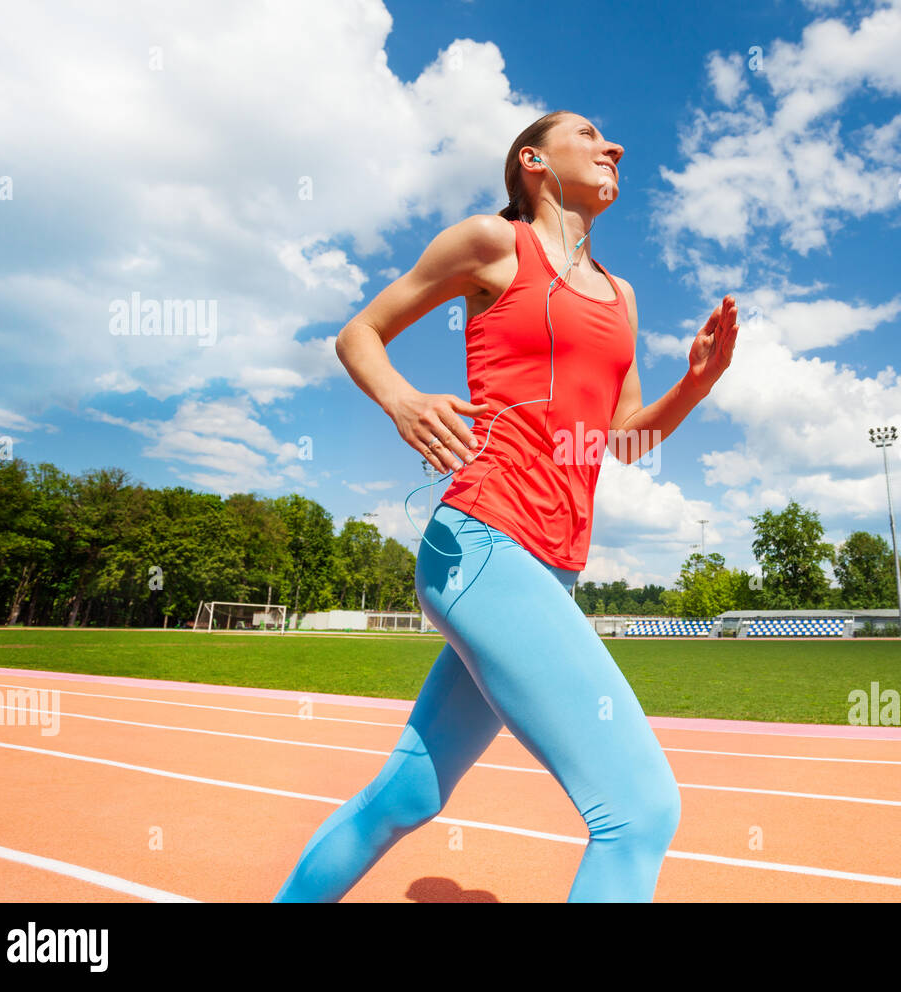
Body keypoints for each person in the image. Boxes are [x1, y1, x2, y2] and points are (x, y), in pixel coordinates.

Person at [273, 110, 738, 903]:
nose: (614, 144)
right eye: (590, 134)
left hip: (550, 568)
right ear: (533, 160)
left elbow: (621, 442)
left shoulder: (621, 296)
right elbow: (360, 333)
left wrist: (696, 383)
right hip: (484, 541)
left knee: (407, 796)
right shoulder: (494, 243)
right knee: (640, 810)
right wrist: (403, 401)